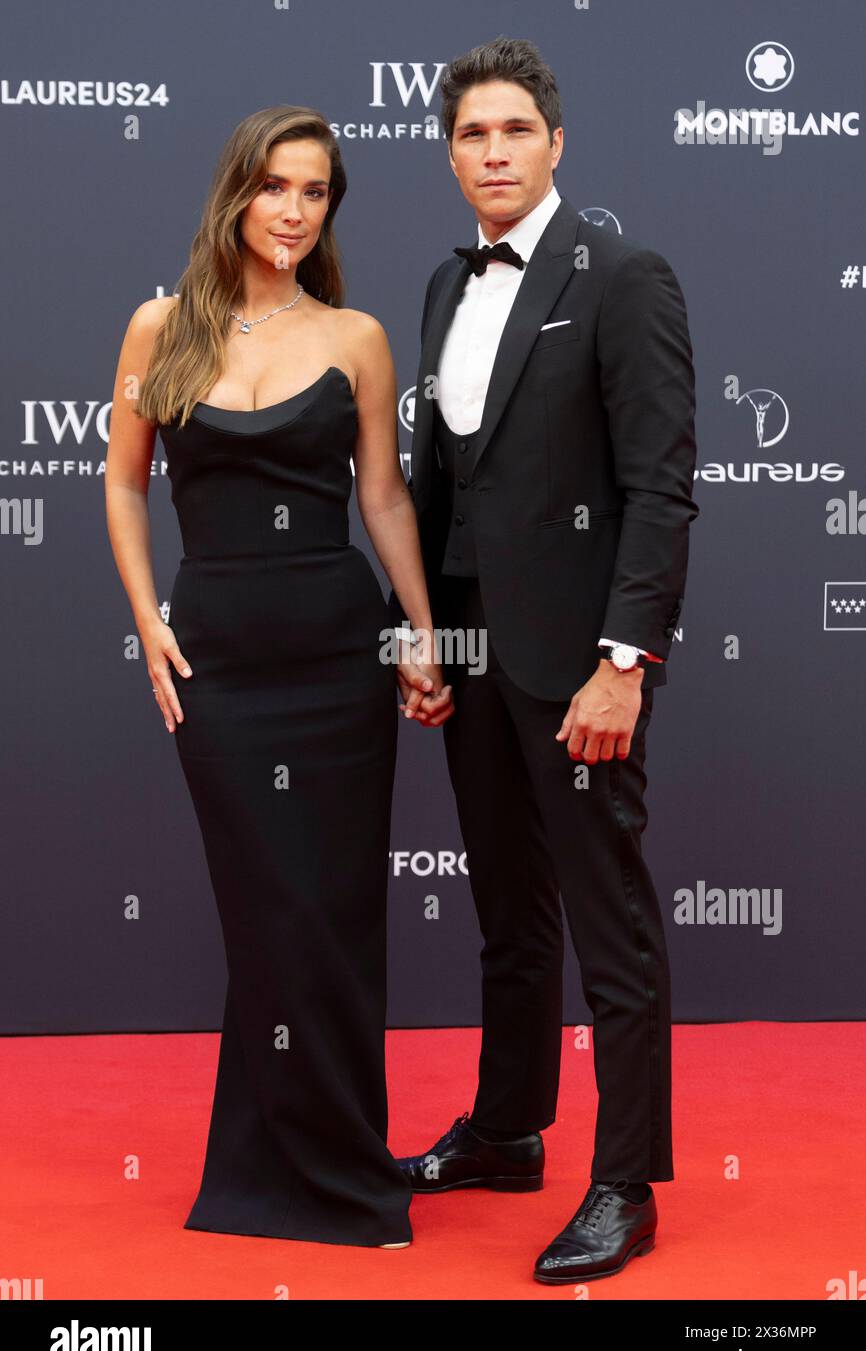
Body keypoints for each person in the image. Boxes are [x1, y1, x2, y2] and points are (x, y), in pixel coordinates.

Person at [104, 105, 452, 1249]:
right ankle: (260, 1170)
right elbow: (121, 481)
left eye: (314, 192)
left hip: (335, 656)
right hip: (220, 659)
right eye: (274, 187)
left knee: (332, 912)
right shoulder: (160, 328)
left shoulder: (354, 335)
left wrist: (419, 629)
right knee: (266, 911)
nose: (294, 209)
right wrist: (146, 620)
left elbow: (384, 497)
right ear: (235, 194)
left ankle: (344, 1167)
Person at [389, 38, 699, 1283]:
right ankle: (509, 1128)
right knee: (505, 911)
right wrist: (423, 636)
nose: (494, 152)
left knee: (608, 920)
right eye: (472, 135)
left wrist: (623, 659)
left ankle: (624, 1182)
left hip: (577, 662)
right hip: (467, 646)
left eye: (515, 130)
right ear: (450, 152)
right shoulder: (438, 285)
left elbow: (659, 488)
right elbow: (437, 482)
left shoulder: (622, 277)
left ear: (555, 143)